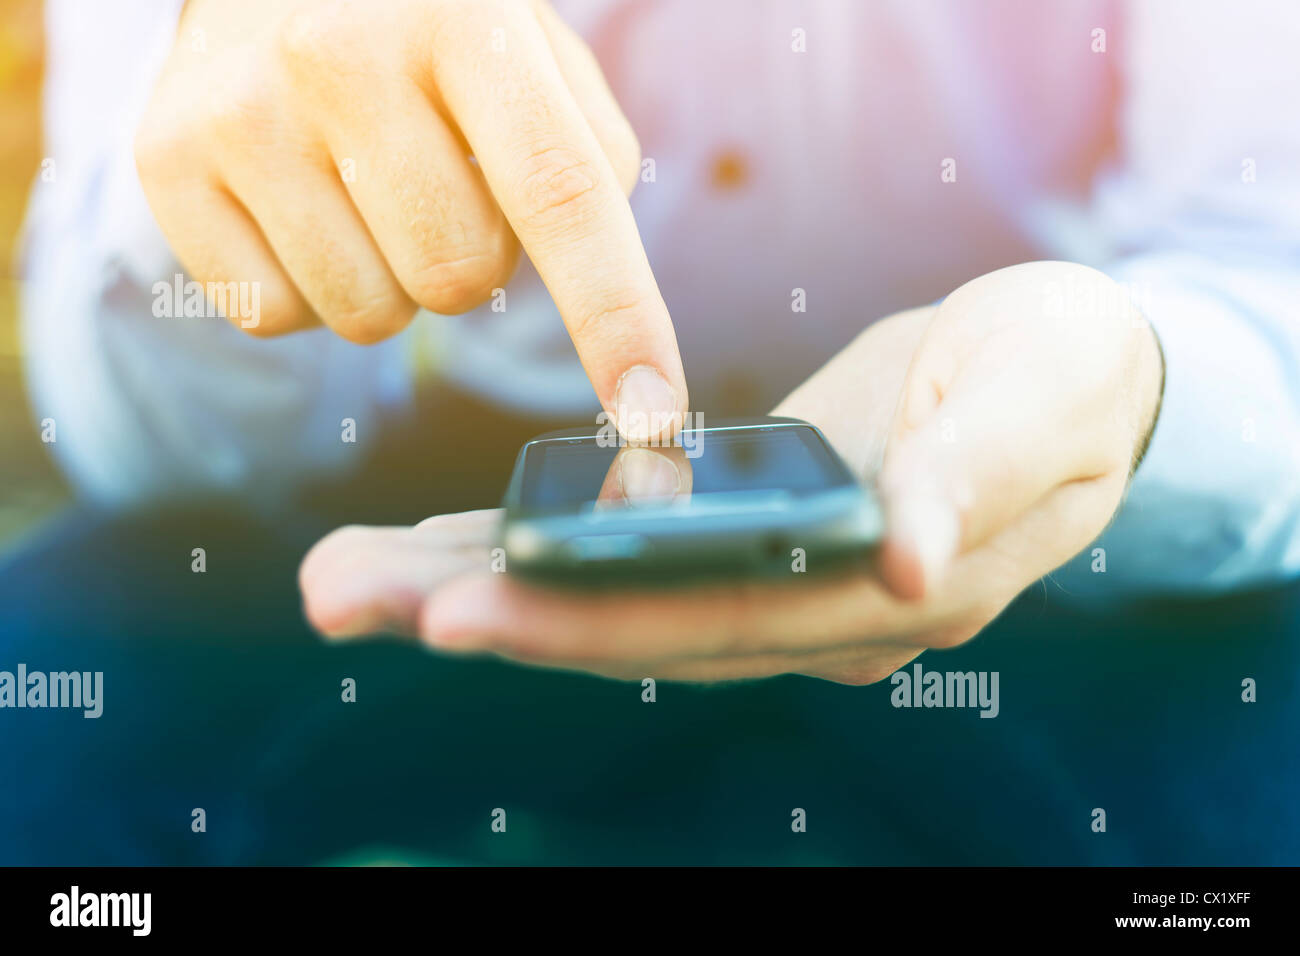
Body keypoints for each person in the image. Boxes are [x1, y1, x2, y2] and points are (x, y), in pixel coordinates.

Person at [5, 0, 1299, 863]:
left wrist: (1132, 390)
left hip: (1055, 473)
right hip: (474, 475)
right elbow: (155, 457)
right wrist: (228, 211)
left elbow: (1263, 266)